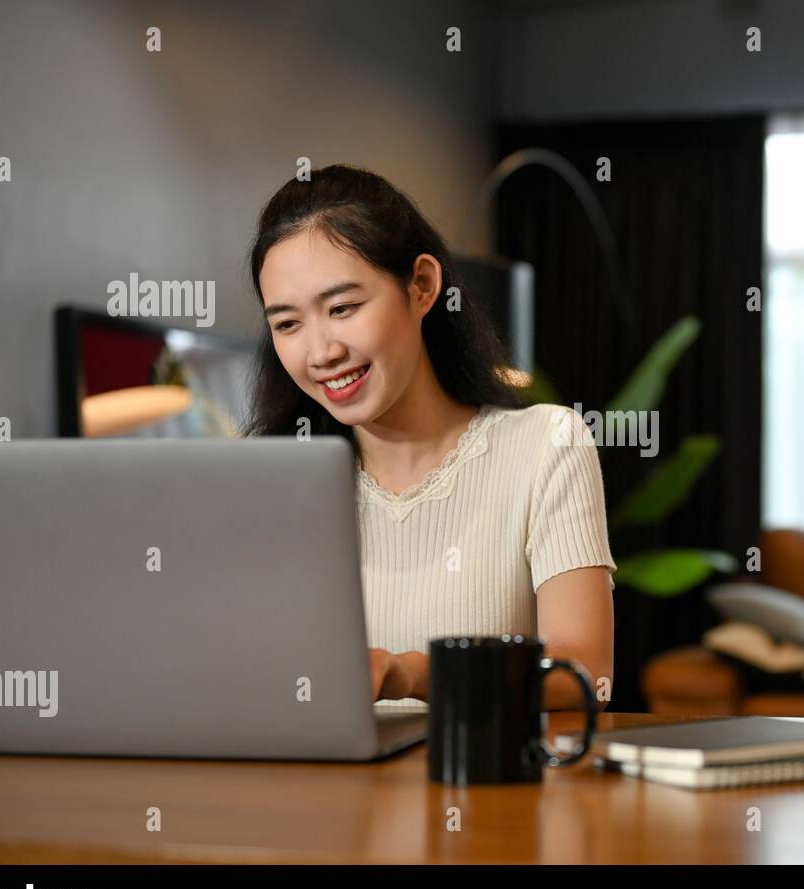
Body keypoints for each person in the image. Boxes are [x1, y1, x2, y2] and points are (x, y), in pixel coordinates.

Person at [244, 164, 615, 710]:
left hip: (488, 791)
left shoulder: (547, 445)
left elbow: (582, 676)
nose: (320, 352)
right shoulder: (279, 482)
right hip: (326, 793)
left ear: (421, 285)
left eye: (342, 308)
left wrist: (410, 673)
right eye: (288, 324)